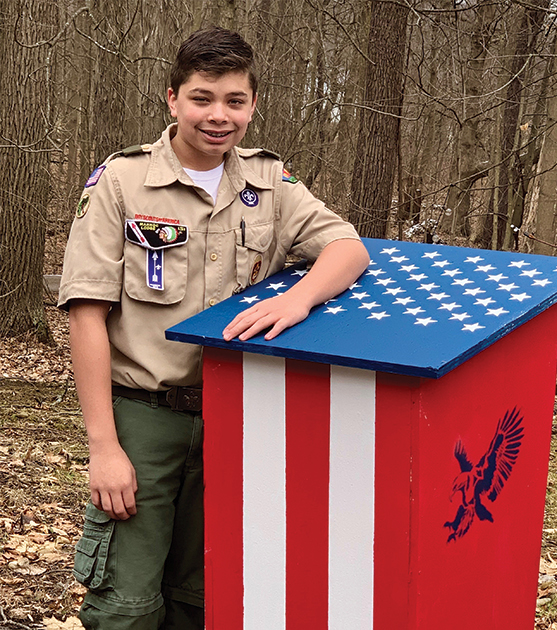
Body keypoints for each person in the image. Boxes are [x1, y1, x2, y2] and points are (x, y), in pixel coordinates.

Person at [58, 27, 369, 629]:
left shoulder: (270, 184)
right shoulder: (122, 182)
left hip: (236, 420)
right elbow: (86, 312)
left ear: (252, 105)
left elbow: (347, 248)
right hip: (143, 420)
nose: (218, 115)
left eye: (234, 100)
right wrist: (104, 446)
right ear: (172, 99)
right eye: (202, 98)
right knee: (126, 601)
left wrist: (301, 298)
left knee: (207, 599)